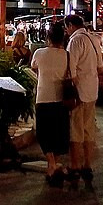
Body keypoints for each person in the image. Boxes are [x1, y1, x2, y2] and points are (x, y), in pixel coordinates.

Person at [64, 14, 102, 188]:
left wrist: (73, 83)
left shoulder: (75, 41)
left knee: (76, 130)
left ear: (71, 25)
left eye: (67, 27)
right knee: (88, 129)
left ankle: (75, 166)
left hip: (79, 93)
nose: (66, 30)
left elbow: (70, 69)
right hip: (92, 91)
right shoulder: (94, 39)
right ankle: (87, 164)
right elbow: (100, 67)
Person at [31, 21, 70, 187]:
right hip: (61, 99)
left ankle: (52, 164)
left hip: (43, 97)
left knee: (43, 133)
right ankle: (54, 164)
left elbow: (33, 67)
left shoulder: (39, 53)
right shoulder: (66, 55)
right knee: (58, 132)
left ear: (48, 37)